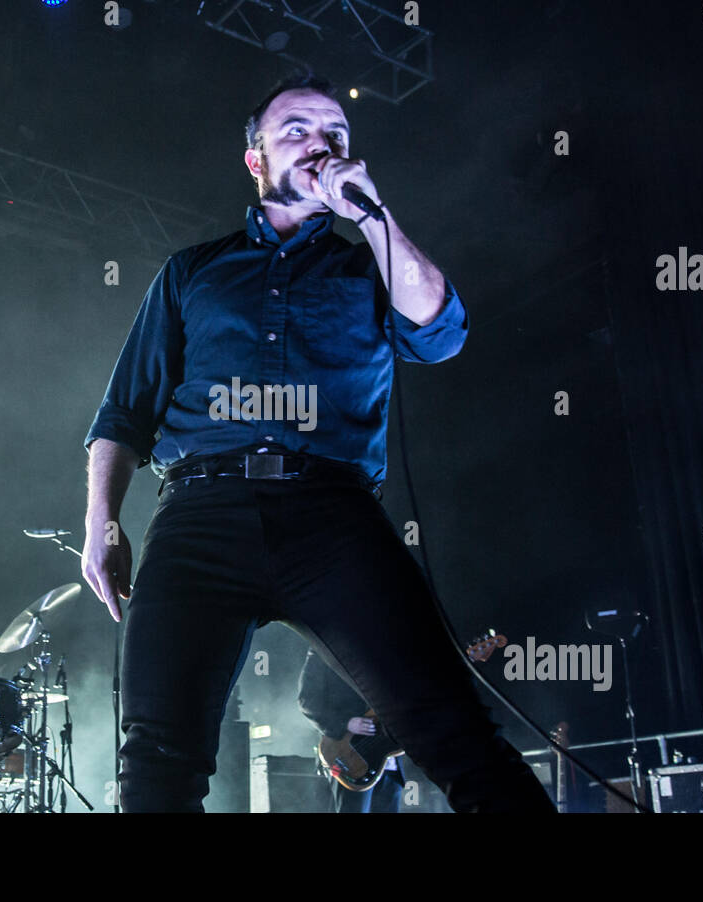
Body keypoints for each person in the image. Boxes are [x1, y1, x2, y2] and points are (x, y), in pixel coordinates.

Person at [81, 70, 553, 813]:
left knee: (453, 730)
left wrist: (371, 216)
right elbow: (122, 414)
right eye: (296, 130)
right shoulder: (192, 273)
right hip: (201, 511)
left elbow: (441, 332)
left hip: (332, 517)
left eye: (335, 133)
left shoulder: (370, 268)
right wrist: (100, 523)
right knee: (157, 757)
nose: (320, 144)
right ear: (256, 159)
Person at [298, 648, 405, 813]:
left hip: (389, 758)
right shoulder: (322, 651)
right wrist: (346, 723)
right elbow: (307, 701)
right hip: (348, 755)